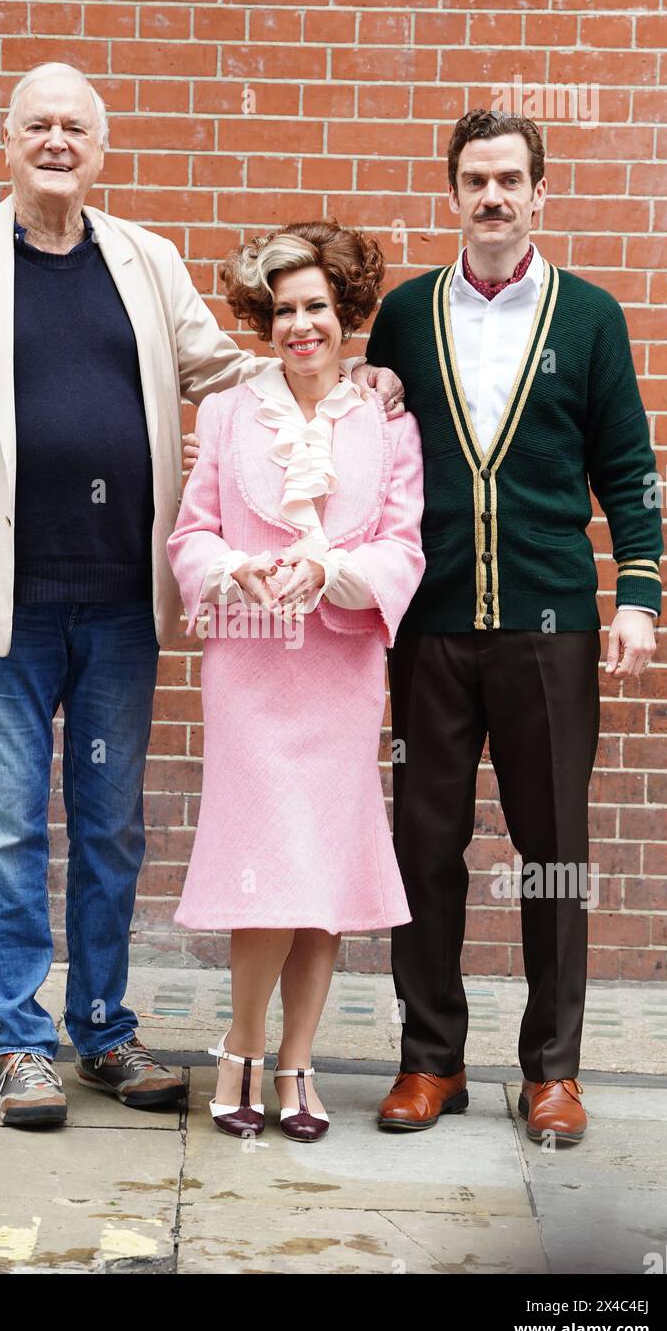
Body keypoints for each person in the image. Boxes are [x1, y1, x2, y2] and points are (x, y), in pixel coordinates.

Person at [0, 63, 404, 1129]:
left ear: (101, 149)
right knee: (8, 825)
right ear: (6, 139)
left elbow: (222, 366)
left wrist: (351, 380)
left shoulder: (144, 260)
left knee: (111, 825)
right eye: (39, 125)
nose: (57, 140)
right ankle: (22, 1042)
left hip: (121, 596)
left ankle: (105, 1030)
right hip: (2, 597)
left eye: (77, 126)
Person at [366, 109, 663, 1144]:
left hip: (550, 630)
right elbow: (373, 455)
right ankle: (428, 1059)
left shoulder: (588, 318)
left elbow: (625, 465)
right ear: (450, 194)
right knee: (424, 848)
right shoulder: (405, 316)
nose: (491, 197)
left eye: (509, 180)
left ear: (539, 193)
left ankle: (553, 1071)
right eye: (473, 180)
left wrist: (636, 595)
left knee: (554, 852)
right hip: (431, 625)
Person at [167, 221, 425, 1142]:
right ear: (262, 319)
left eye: (317, 306)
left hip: (339, 667)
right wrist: (235, 569)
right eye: (283, 310)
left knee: (323, 872)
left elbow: (403, 546)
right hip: (248, 669)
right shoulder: (229, 412)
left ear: (346, 313)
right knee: (262, 863)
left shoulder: (388, 421)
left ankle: (295, 1061)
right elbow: (190, 535)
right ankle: (239, 1044)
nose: (301, 326)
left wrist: (330, 574)